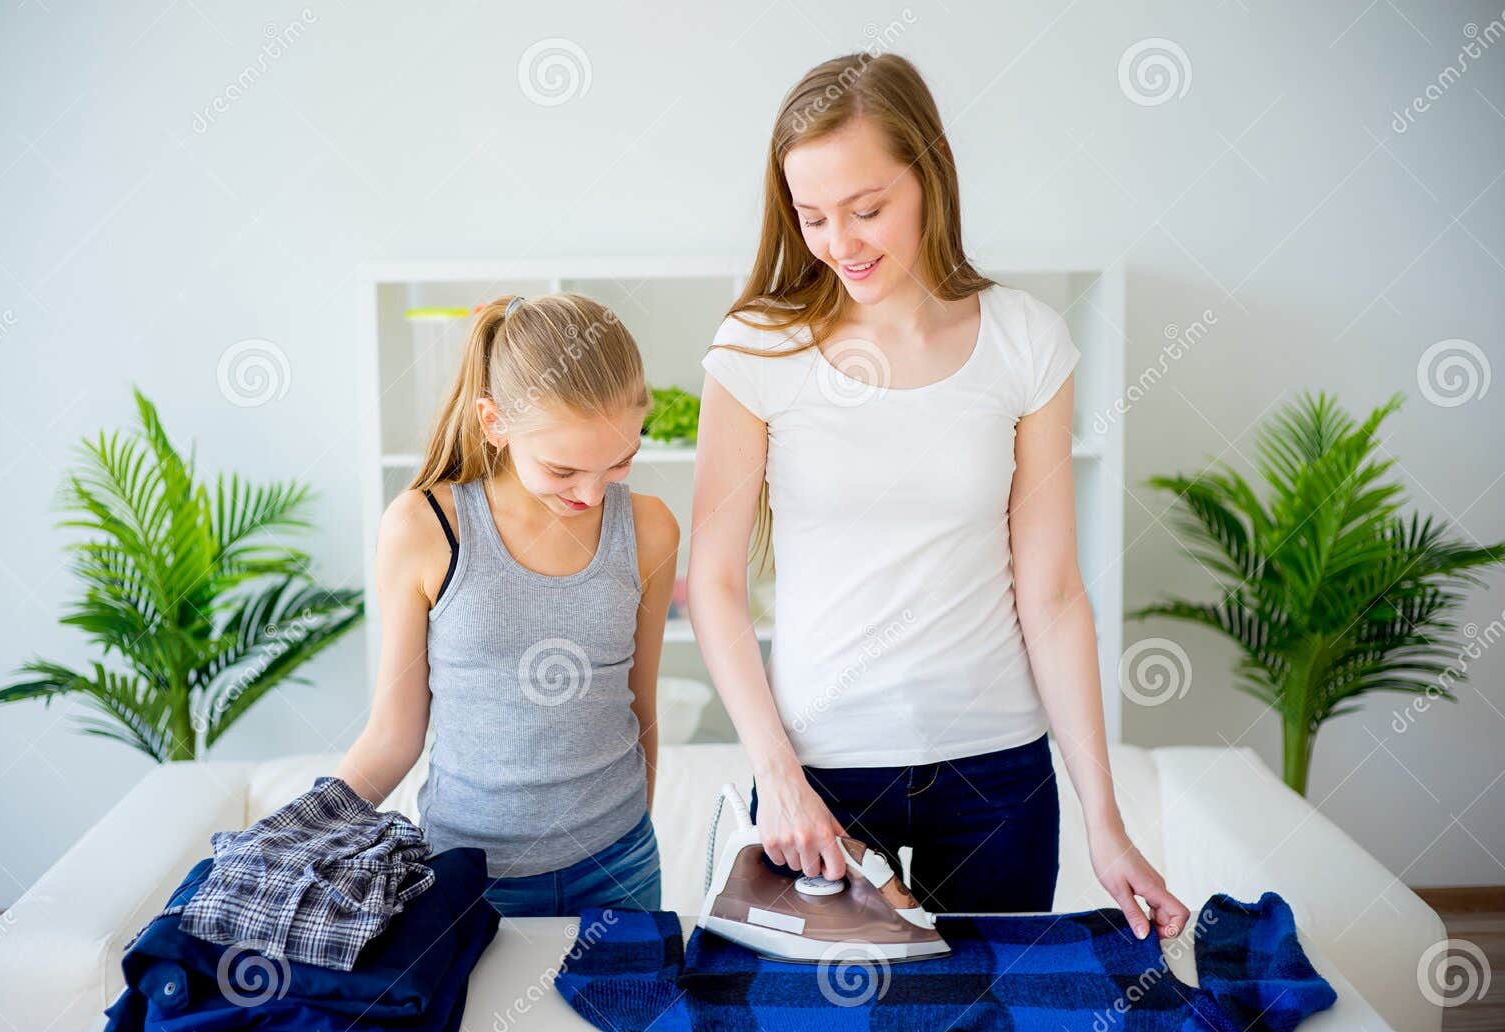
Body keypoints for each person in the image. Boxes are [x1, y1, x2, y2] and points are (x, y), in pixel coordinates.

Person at [687, 53, 1189, 940]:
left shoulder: (1026, 341)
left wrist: (1105, 823)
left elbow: (1054, 592)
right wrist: (780, 771)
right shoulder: (758, 347)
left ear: (929, 176)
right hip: (822, 772)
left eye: (868, 208)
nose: (840, 241)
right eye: (812, 217)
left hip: (996, 772)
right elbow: (717, 583)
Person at [334, 292, 679, 917]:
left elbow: (642, 705)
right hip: (467, 877)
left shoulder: (650, 529)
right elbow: (393, 737)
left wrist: (631, 833)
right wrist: (294, 836)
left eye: (621, 460)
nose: (594, 491)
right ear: (495, 423)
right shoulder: (424, 528)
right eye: (563, 469)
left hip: (620, 867)